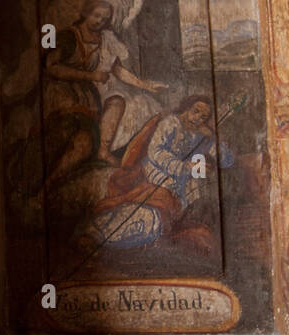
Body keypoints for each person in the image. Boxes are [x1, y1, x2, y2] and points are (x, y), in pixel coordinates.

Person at [76, 95, 234, 257]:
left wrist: (213, 138)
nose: (198, 118)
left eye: (203, 117)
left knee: (154, 224)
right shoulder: (170, 123)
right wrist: (183, 167)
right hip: (151, 180)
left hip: (175, 195)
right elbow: (156, 152)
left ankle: (108, 244)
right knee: (139, 212)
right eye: (195, 111)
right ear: (186, 108)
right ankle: (95, 236)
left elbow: (227, 161)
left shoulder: (201, 136)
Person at [43, 0, 166, 187]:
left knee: (117, 100)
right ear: (86, 13)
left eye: (104, 18)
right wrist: (90, 75)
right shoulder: (68, 36)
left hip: (91, 92)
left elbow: (117, 69)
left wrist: (145, 85)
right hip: (64, 91)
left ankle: (103, 151)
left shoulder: (106, 39)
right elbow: (51, 67)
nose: (100, 21)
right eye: (96, 15)